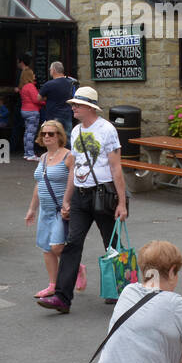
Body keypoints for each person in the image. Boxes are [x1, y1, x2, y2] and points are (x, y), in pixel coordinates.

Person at [36, 87, 128, 314]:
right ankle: (62, 298)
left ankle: (121, 291)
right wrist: (67, 200)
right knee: (72, 244)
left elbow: (116, 168)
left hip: (104, 194)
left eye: (77, 104)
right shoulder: (76, 131)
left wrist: (122, 203)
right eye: (73, 104)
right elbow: (74, 168)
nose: (73, 107)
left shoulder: (107, 130)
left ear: (89, 107)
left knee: (112, 245)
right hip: (80, 195)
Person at [25, 119, 75, 300]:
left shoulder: (68, 156)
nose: (47, 136)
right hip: (44, 210)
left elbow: (74, 182)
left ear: (59, 136)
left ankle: (77, 268)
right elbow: (39, 184)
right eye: (44, 133)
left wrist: (67, 203)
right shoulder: (44, 157)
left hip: (59, 210)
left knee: (57, 247)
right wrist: (32, 209)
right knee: (46, 249)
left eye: (51, 133)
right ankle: (53, 285)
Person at [38, 62, 78, 133]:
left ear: (54, 70)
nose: (50, 71)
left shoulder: (49, 84)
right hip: (67, 115)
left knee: (54, 138)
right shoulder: (71, 83)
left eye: (50, 69)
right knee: (67, 139)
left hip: (53, 116)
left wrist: (48, 97)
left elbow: (38, 98)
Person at [20, 72, 44, 162]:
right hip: (32, 111)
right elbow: (36, 99)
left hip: (25, 110)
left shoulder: (24, 86)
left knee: (27, 133)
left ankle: (26, 153)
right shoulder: (30, 86)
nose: (35, 76)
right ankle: (30, 154)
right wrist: (44, 102)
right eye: (33, 74)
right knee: (31, 134)